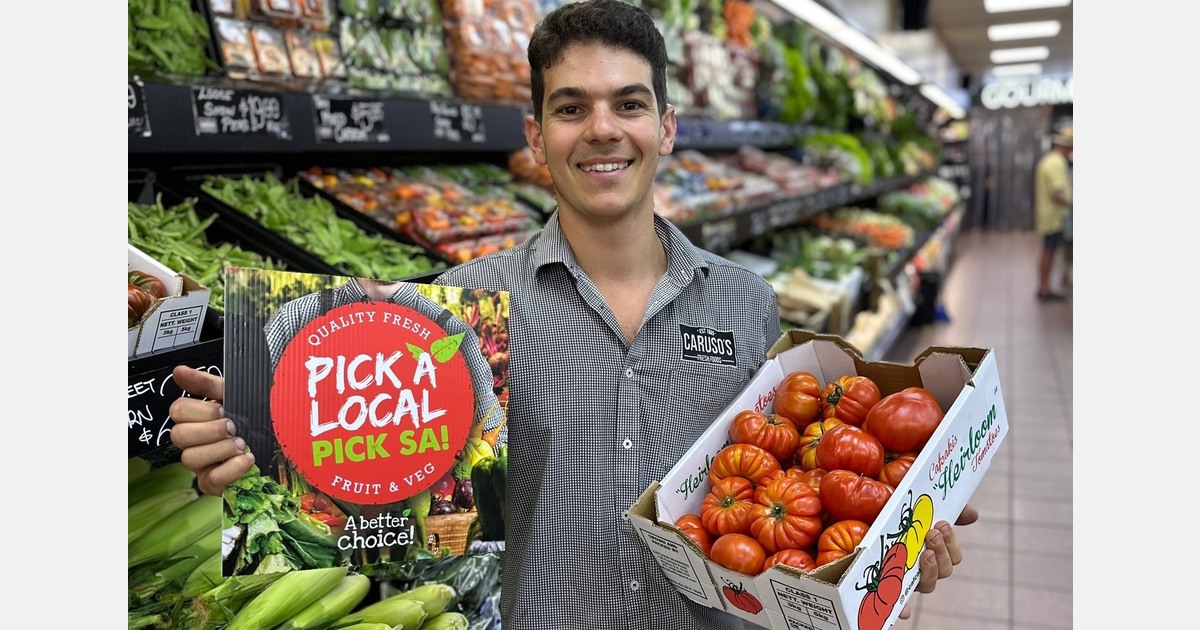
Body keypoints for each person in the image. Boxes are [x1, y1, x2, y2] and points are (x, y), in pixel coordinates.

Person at [168, 1, 977, 628]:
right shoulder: (459, 311)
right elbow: (387, 489)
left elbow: (798, 499)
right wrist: (257, 450)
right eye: (571, 107)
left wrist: (895, 537)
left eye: (629, 104)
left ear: (666, 127)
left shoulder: (747, 304)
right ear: (536, 135)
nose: (602, 130)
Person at [1034, 127, 1073, 300]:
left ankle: (1044, 286)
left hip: (1048, 215)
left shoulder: (1049, 160)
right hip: (1054, 216)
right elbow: (1056, 193)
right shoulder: (1057, 163)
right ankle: (1044, 288)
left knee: (1048, 250)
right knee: (1049, 251)